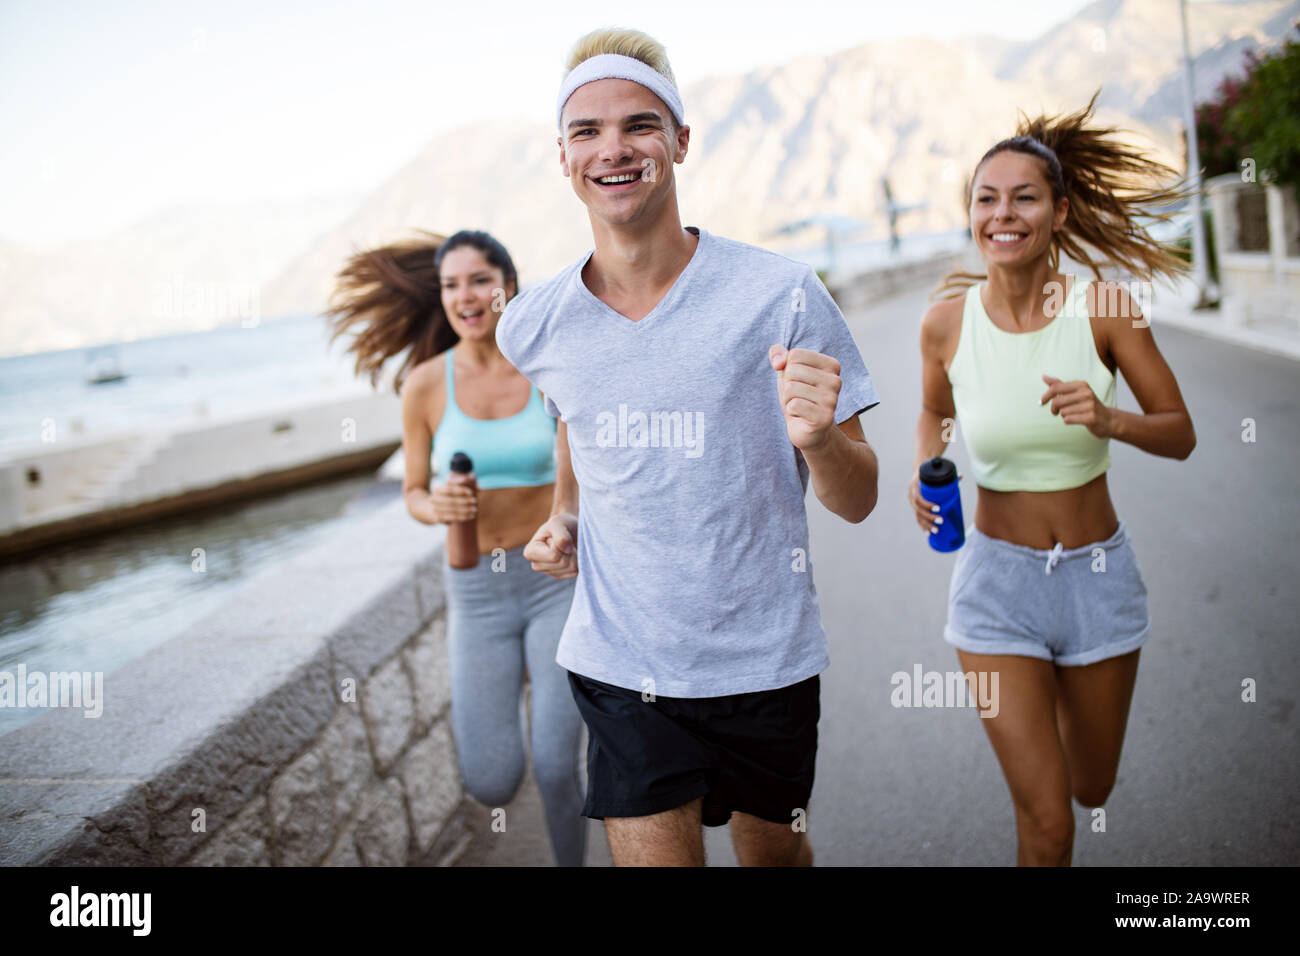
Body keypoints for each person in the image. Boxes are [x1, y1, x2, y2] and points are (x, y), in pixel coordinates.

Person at [494, 27, 881, 867]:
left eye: (639, 124)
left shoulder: (782, 294)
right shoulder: (534, 323)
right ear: (562, 157)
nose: (614, 149)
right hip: (620, 662)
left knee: (774, 856)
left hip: (765, 659)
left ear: (680, 139)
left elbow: (859, 498)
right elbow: (575, 423)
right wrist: (565, 515)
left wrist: (818, 441)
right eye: (586, 132)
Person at [907, 91, 1197, 865]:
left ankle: (1067, 701)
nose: (1003, 214)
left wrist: (1110, 421)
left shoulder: (1104, 310)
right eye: (986, 199)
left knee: (1091, 789)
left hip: (1099, 577)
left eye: (1025, 198)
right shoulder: (946, 322)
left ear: (1059, 213)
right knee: (1047, 826)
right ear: (971, 214)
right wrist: (921, 471)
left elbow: (1181, 433)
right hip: (996, 586)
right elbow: (934, 413)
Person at [324, 229, 587, 867]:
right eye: (450, 285)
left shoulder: (547, 366)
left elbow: (579, 472)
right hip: (476, 594)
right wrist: (434, 505)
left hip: (555, 583)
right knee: (490, 780)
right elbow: (413, 491)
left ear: (507, 286)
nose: (464, 296)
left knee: (555, 765)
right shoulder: (424, 386)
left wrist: (572, 522)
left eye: (477, 280)